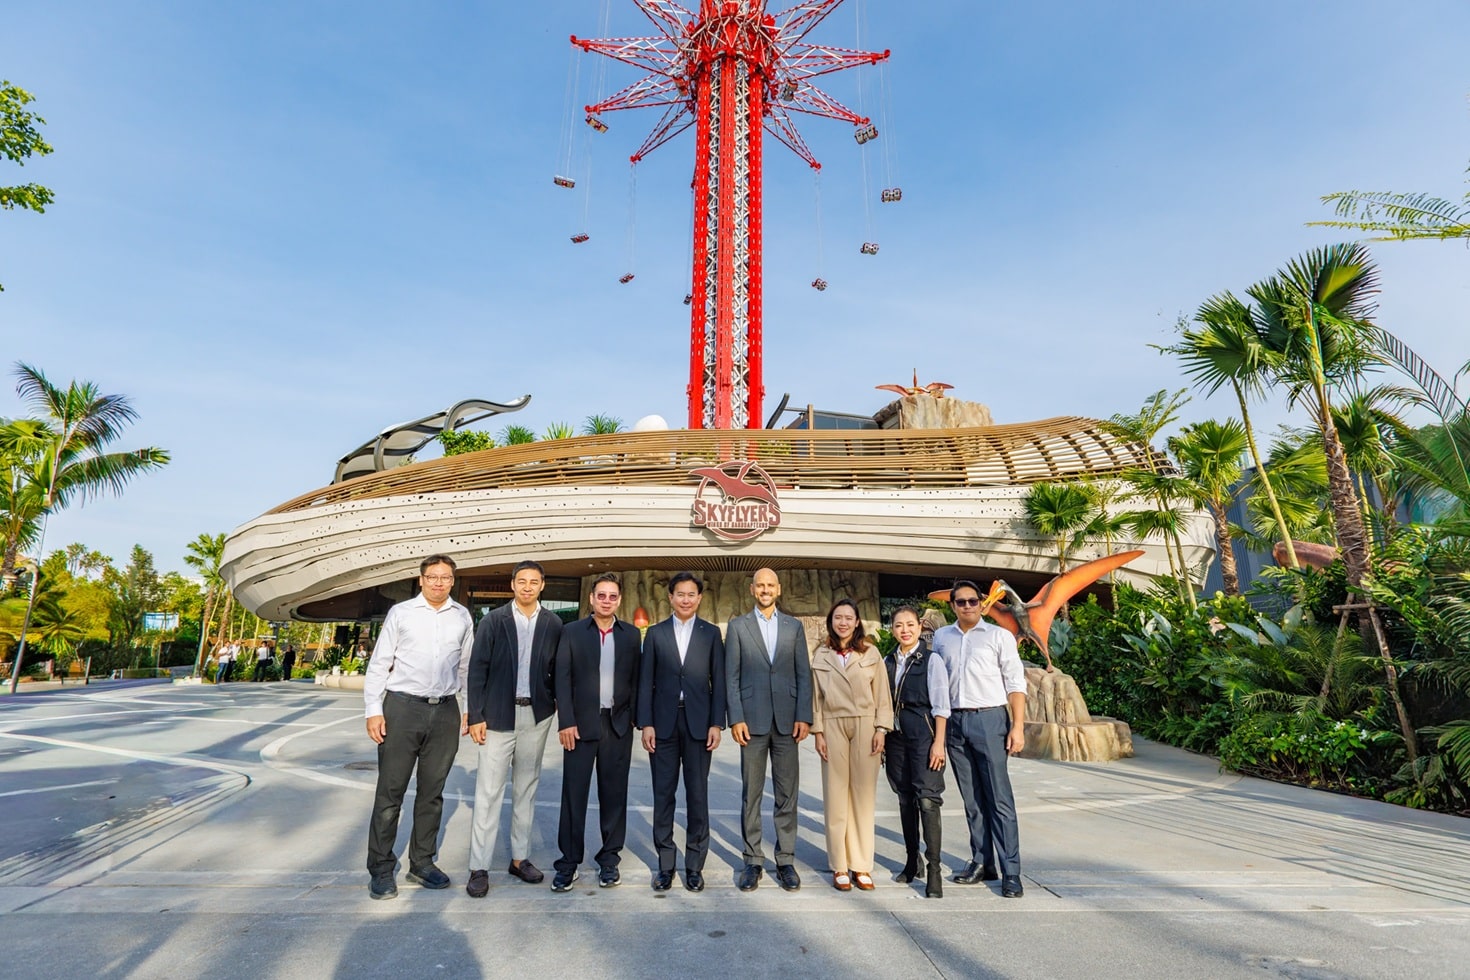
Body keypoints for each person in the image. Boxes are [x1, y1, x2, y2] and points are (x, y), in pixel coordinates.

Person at [362, 554, 474, 900]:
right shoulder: (402, 613)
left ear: (452, 581)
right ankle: (381, 868)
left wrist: (467, 709)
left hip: (444, 712)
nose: (439, 582)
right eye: (433, 577)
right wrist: (373, 710)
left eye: (446, 577)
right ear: (421, 579)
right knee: (390, 793)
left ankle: (422, 862)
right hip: (402, 708)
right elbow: (380, 663)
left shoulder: (462, 617)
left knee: (432, 793)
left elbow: (466, 668)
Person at [464, 560, 563, 897]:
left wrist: (554, 704)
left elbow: (558, 669)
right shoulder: (493, 620)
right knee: (488, 792)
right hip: (496, 716)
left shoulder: (553, 623)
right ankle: (479, 866)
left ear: (542, 586)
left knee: (526, 789)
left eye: (534, 582)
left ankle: (520, 859)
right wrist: (475, 715)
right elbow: (477, 670)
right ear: (512, 585)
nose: (527, 587)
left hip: (536, 717)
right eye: (522, 581)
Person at [932, 579, 1027, 898]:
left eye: (973, 601)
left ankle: (1011, 871)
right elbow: (938, 683)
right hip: (956, 721)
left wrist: (1017, 727)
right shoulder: (942, 637)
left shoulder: (999, 636)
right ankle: (983, 861)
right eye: (961, 602)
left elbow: (1016, 684)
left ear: (982, 603)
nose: (968, 606)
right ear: (953, 605)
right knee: (972, 799)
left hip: (990, 719)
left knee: (999, 799)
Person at [551, 573, 641, 892]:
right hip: (579, 725)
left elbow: (638, 680)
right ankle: (569, 862)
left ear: (619, 600)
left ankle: (608, 861)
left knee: (614, 796)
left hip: (617, 725)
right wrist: (566, 721)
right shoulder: (572, 632)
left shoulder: (630, 635)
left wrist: (635, 718)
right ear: (591, 599)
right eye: (601, 595)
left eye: (612, 596)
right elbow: (562, 678)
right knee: (573, 795)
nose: (606, 600)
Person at [637, 571, 725, 892]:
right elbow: (645, 682)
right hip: (662, 726)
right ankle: (665, 865)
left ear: (699, 598)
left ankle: (694, 865)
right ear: (671, 598)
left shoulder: (711, 633)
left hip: (700, 725)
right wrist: (646, 722)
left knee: (697, 795)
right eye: (680, 594)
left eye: (692, 594)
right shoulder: (656, 634)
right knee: (664, 795)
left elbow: (719, 681)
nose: (686, 599)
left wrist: (717, 723)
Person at [725, 568, 811, 893]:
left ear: (779, 588)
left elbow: (804, 675)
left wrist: (804, 716)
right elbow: (730, 677)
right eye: (760, 585)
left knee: (787, 794)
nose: (765, 589)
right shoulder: (737, 627)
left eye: (770, 585)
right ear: (752, 589)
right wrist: (736, 718)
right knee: (752, 794)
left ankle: (785, 859)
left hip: (788, 723)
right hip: (752, 722)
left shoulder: (794, 627)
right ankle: (752, 860)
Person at [809, 598, 893, 892]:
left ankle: (861, 865)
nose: (843, 622)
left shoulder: (870, 653)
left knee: (862, 796)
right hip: (832, 724)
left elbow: (882, 694)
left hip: (865, 724)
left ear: (857, 622)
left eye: (848, 618)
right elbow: (815, 698)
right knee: (835, 795)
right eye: (838, 618)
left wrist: (881, 728)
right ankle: (840, 865)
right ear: (831, 621)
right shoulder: (821, 654)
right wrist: (817, 731)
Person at [885, 605, 951, 898]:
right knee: (905, 799)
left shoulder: (931, 660)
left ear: (919, 627)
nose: (905, 630)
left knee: (927, 801)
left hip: (924, 737)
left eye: (910, 625)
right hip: (896, 739)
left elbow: (941, 705)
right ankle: (913, 861)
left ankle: (934, 869)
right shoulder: (888, 661)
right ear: (892, 629)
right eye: (899, 625)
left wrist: (939, 742)